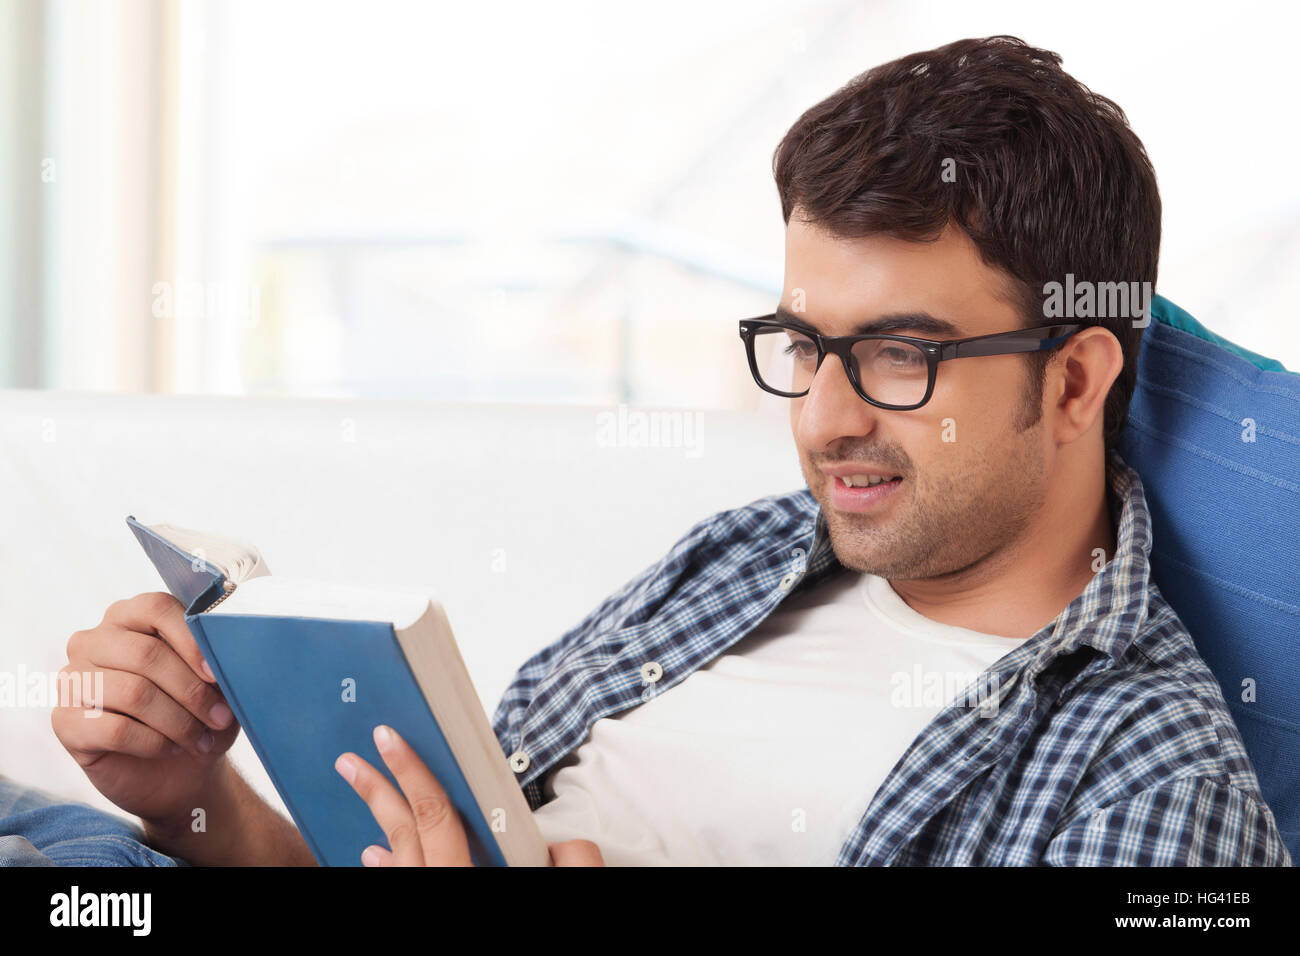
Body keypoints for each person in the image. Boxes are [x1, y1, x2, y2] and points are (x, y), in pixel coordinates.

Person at [8, 35, 1289, 866]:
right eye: (803, 341)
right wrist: (190, 799)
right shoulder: (746, 561)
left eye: (901, 354)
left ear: (1072, 377)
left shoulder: (1147, 790)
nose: (824, 418)